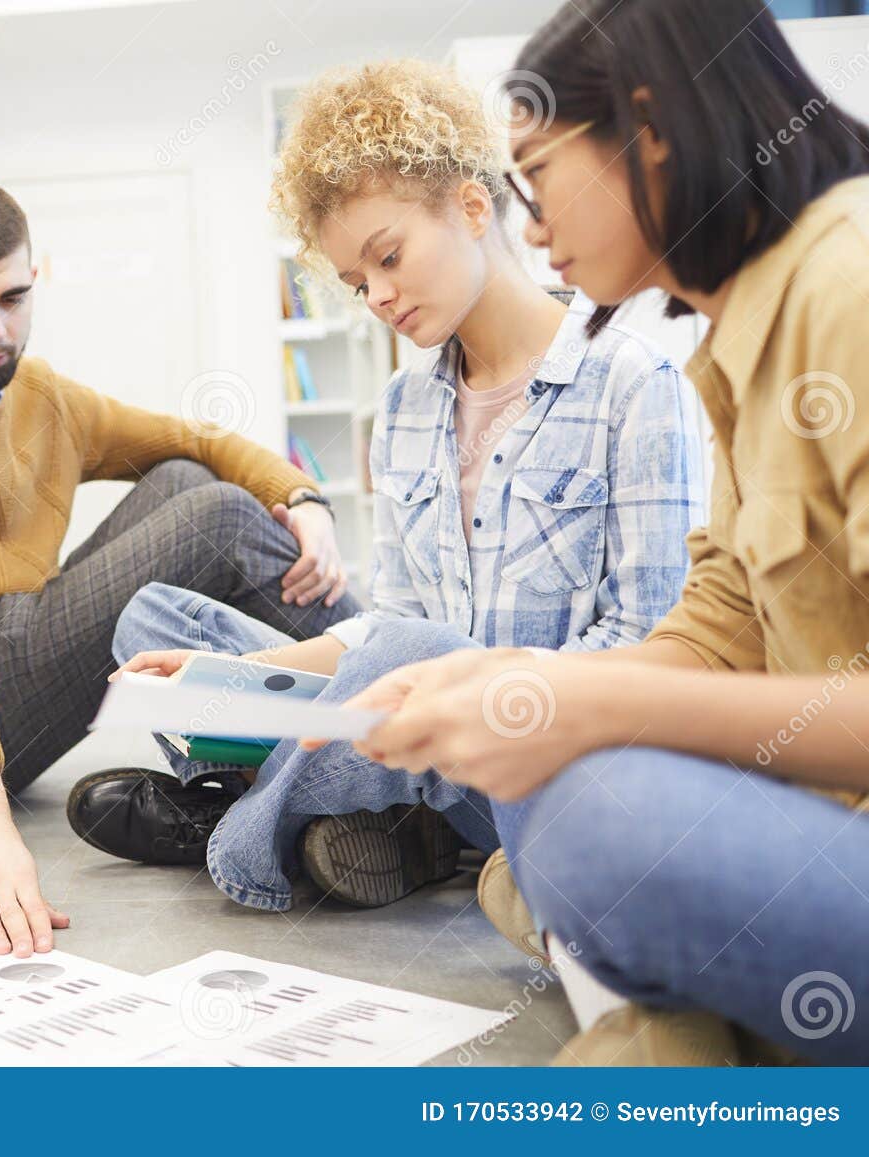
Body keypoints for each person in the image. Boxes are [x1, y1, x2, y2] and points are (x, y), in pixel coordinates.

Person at [332, 0, 869, 1065]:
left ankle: (673, 1007)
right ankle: (689, 1005)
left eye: (538, 177)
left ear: (648, 126)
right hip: (810, 816)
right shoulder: (735, 342)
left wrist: (583, 700)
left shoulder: (845, 287)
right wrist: (518, 685)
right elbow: (718, 622)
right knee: (547, 780)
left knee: (590, 816)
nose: (532, 229)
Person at [67, 61, 705, 917]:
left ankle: (240, 831)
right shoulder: (404, 407)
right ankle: (386, 823)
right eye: (358, 283)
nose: (379, 297)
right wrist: (240, 670)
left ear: (473, 209)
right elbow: (388, 622)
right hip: (412, 724)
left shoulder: (634, 381)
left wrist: (450, 682)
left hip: (543, 758)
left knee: (419, 656)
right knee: (154, 621)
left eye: (389, 257)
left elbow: (648, 649)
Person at [0, 178, 362, 957]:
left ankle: (285, 760)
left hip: (10, 655)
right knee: (217, 517)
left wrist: (302, 497)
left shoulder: (38, 394)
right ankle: (409, 694)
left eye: (14, 298)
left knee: (185, 481)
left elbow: (189, 438)